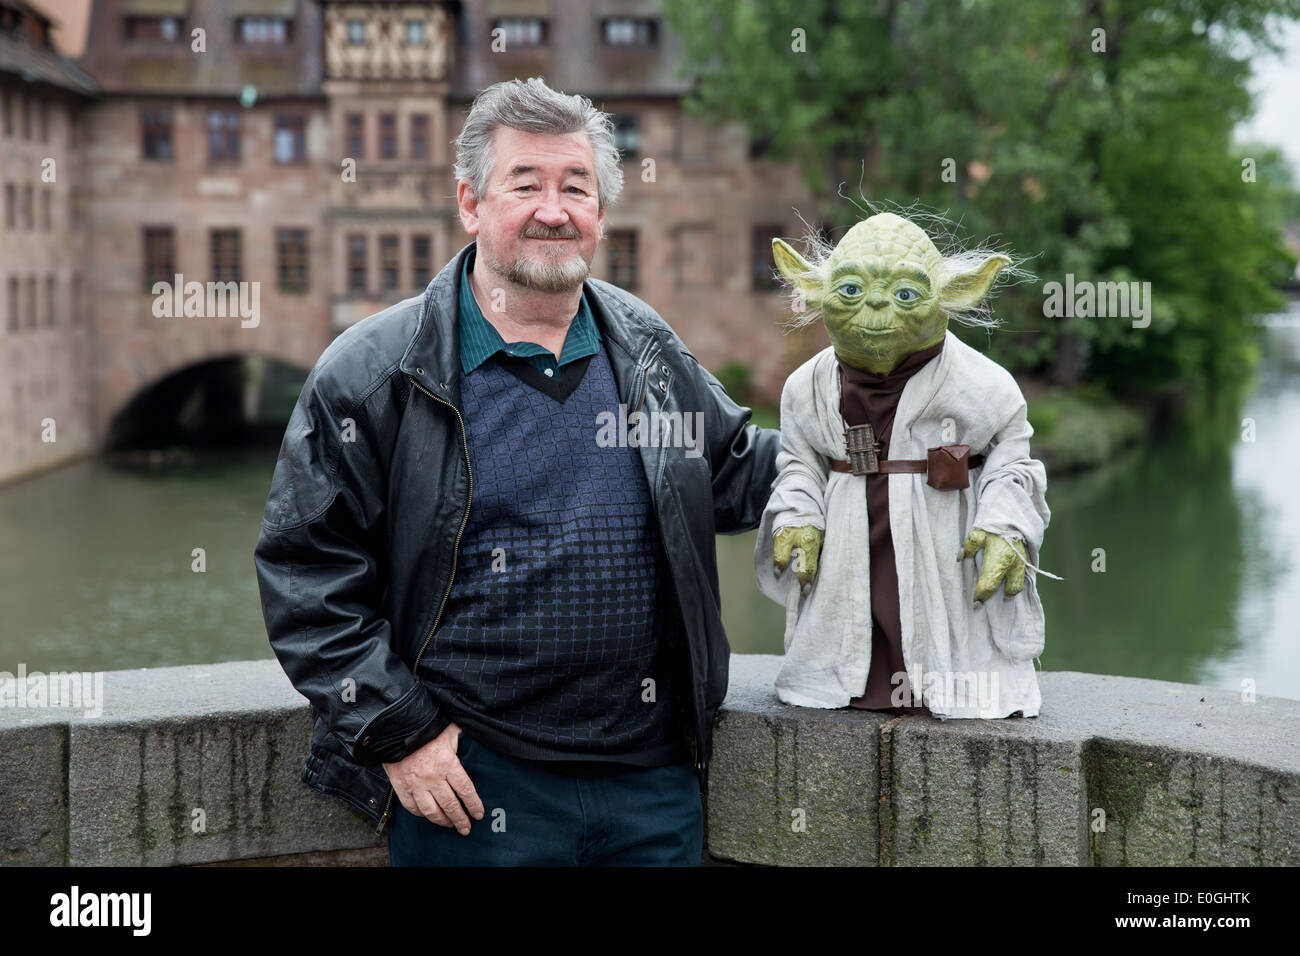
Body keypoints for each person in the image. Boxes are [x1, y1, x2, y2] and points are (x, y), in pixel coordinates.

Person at [253, 76, 780, 866]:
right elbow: (305, 572)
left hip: (653, 787)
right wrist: (402, 731)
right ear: (470, 202)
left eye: (577, 186)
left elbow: (740, 473)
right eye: (524, 183)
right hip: (473, 786)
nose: (553, 208)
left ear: (600, 212)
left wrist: (885, 416)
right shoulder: (375, 375)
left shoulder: (647, 351)